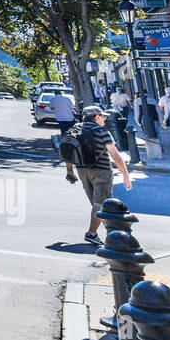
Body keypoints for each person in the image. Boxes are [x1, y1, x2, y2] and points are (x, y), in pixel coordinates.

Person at [61, 105, 132, 245]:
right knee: (102, 204)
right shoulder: (101, 131)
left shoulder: (74, 130)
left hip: (82, 171)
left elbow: (67, 151)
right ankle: (92, 233)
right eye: (102, 116)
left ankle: (112, 232)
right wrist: (125, 175)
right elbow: (115, 155)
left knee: (97, 204)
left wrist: (70, 171)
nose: (105, 118)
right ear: (96, 117)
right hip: (102, 171)